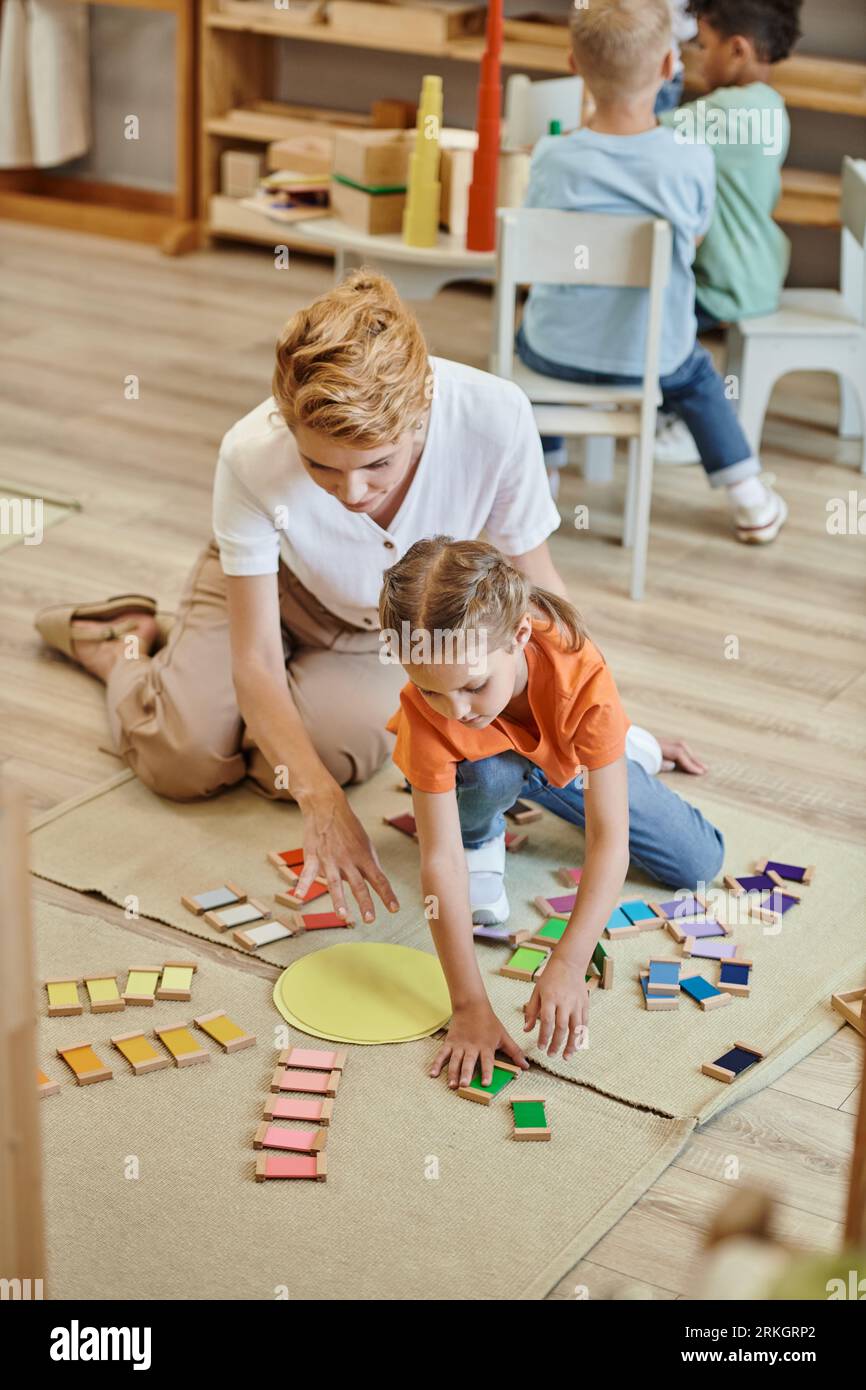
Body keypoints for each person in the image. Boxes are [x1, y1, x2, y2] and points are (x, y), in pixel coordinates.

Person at [35, 271, 710, 925]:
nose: (351, 494)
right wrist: (322, 807)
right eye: (319, 465)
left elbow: (540, 590)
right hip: (269, 589)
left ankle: (196, 682)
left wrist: (609, 718)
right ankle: (117, 644)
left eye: (376, 465)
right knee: (185, 761)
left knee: (336, 752)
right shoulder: (249, 453)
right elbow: (258, 661)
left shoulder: (496, 417)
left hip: (378, 629)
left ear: (420, 415)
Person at [380, 536, 724, 1086]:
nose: (455, 711)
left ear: (519, 636)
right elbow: (438, 862)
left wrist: (568, 960)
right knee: (488, 769)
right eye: (431, 691)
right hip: (487, 766)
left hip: (564, 754)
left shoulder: (574, 663)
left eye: (472, 685)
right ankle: (485, 828)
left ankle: (623, 743)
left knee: (699, 862)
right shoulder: (434, 707)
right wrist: (469, 1006)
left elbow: (608, 843)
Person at [519, 0, 787, 544]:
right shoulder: (690, 159)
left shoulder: (552, 156)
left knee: (525, 347)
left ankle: (542, 481)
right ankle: (750, 499)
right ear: (670, 67)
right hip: (654, 358)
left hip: (558, 352)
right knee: (698, 377)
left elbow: (536, 237)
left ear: (574, 63)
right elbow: (694, 238)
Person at [655, 0, 800, 464]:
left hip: (727, 279)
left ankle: (690, 416)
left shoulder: (730, 113)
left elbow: (639, 132)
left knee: (655, 314)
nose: (696, 56)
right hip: (755, 266)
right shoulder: (766, 105)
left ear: (737, 49)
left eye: (702, 45)